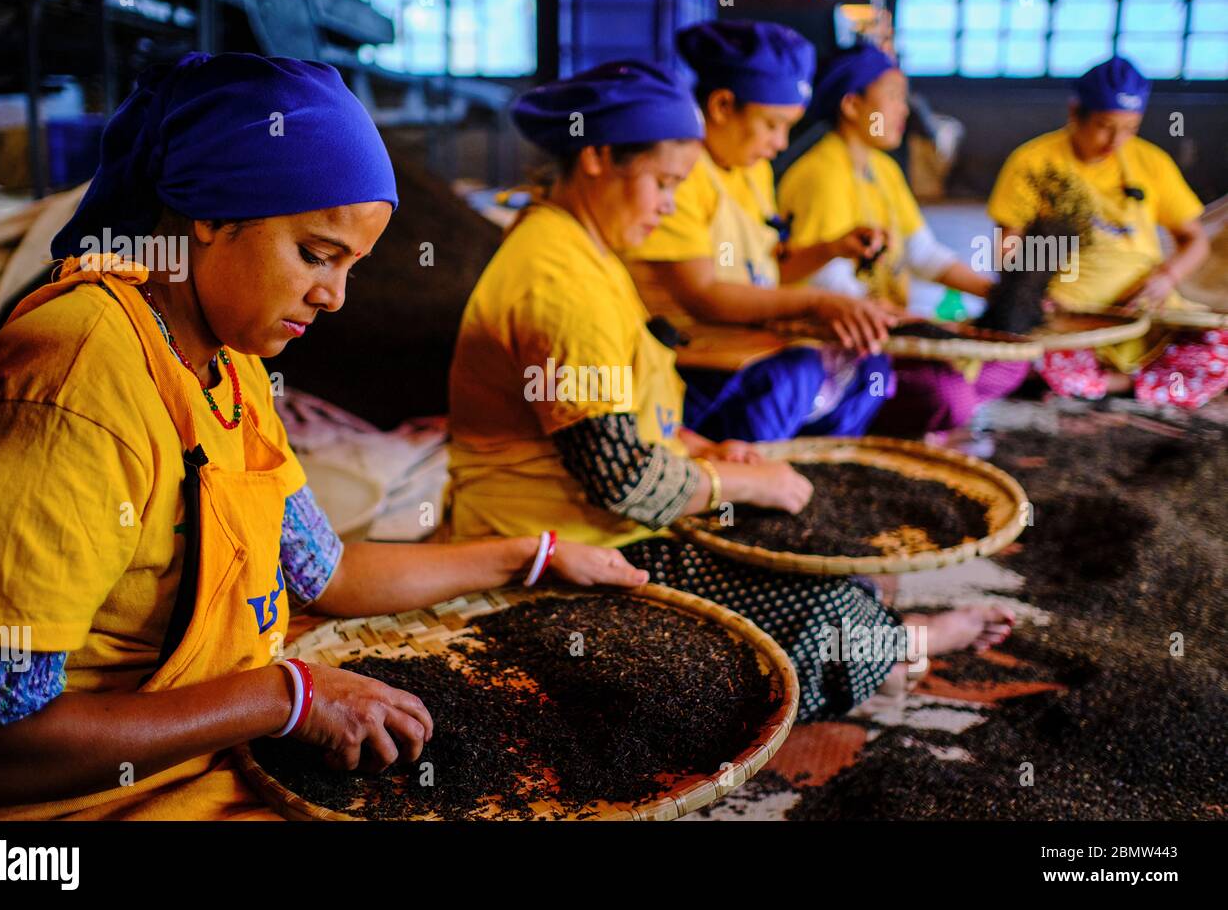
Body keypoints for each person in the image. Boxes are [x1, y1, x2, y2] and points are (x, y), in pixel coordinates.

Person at [0, 52, 645, 819]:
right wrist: (286, 696)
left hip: (206, 753)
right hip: (73, 807)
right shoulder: (76, 382)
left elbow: (321, 573)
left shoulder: (230, 370)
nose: (333, 297)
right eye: (315, 255)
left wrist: (528, 556)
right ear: (210, 212)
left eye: (350, 268)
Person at [446, 59, 1014, 723]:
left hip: (605, 527)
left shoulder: (585, 252)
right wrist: (739, 483)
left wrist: (706, 446)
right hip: (559, 555)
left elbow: (623, 422)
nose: (667, 205)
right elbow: (623, 480)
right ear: (598, 157)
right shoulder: (560, 280)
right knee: (823, 622)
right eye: (662, 183)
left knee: (837, 568)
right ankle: (907, 647)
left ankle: (892, 645)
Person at [623, 20, 897, 443]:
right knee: (796, 374)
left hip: (748, 351)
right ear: (721, 106)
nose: (781, 143)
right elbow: (704, 296)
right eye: (772, 124)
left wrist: (832, 249)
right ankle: (745, 480)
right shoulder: (680, 172)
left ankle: (807, 466)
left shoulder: (754, 170)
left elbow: (770, 270)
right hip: (692, 367)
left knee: (870, 362)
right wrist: (820, 301)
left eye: (789, 126)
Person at [777, 44, 1030, 438]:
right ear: (851, 105)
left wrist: (999, 295)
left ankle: (920, 410)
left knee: (1011, 361)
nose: (905, 110)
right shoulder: (821, 174)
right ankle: (887, 414)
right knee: (949, 397)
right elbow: (827, 284)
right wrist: (926, 327)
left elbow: (923, 253)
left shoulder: (882, 170)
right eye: (893, 96)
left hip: (893, 333)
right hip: (852, 343)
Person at [987, 56, 1218, 409]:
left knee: (1220, 348)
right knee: (1021, 355)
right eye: (1105, 126)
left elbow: (1195, 239)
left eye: (1130, 129)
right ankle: (1126, 384)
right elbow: (1007, 247)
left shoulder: (1150, 162)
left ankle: (1114, 383)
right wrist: (1032, 293)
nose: (1116, 140)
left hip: (1148, 316)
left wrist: (1167, 277)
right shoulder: (1034, 162)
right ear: (1074, 111)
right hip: (1069, 322)